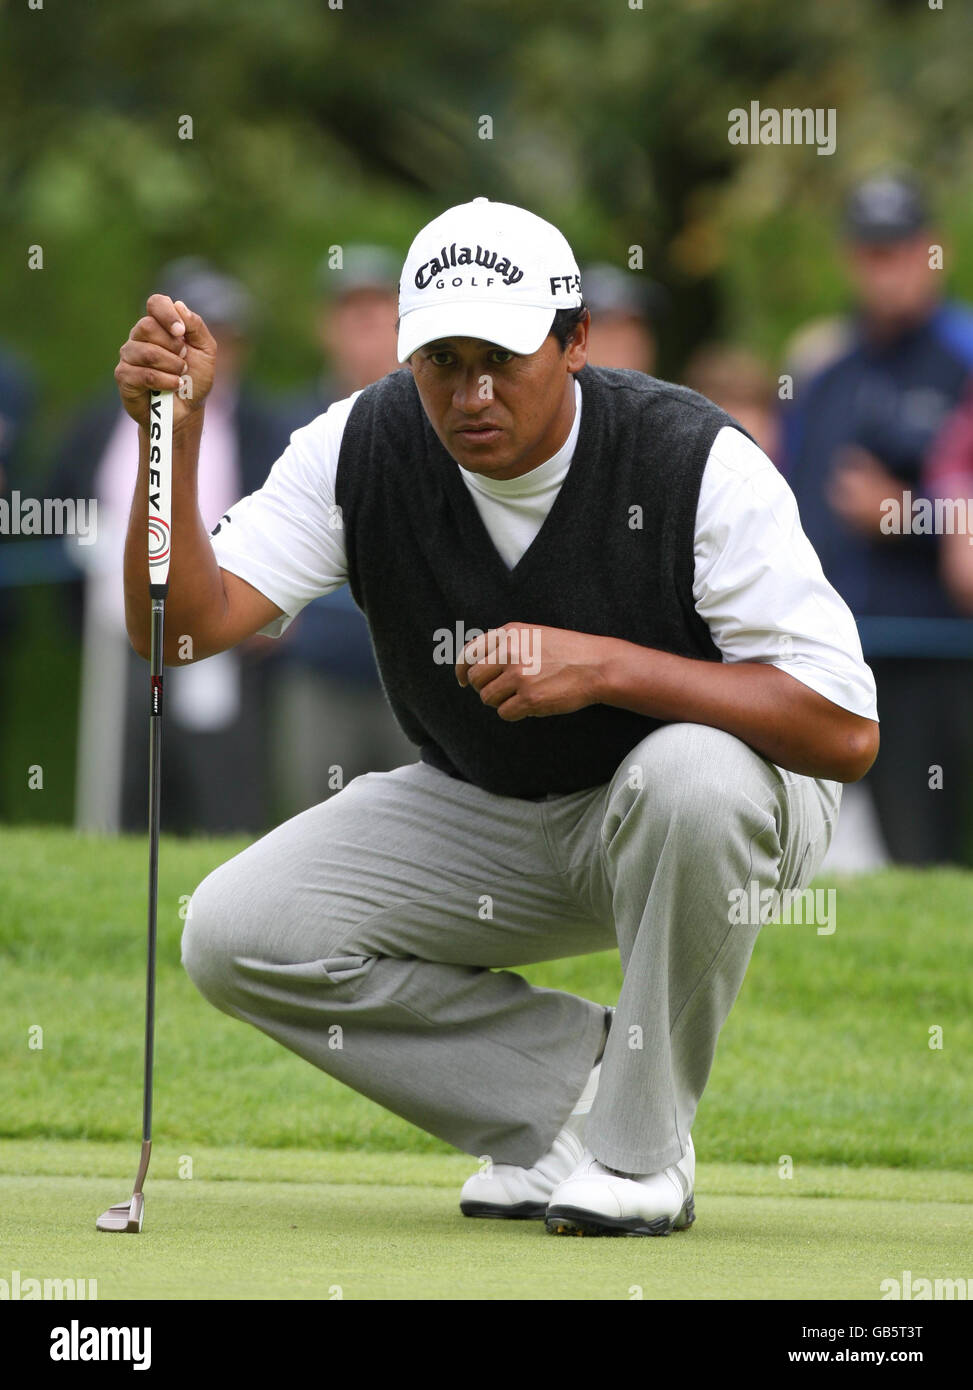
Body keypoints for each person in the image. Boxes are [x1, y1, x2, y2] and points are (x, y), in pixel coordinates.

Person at [116, 198, 878, 1237]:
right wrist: (176, 434)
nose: (470, 393)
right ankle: (567, 1110)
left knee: (691, 771)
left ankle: (640, 1155)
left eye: (501, 358)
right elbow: (181, 630)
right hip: (492, 807)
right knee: (235, 931)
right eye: (441, 359)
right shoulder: (362, 442)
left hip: (709, 815)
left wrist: (607, 667)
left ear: (573, 343)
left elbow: (843, 729)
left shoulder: (695, 459)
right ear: (404, 356)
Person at [59, 259, 290, 834]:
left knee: (223, 790)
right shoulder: (101, 418)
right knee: (124, 787)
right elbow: (61, 499)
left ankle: (221, 902)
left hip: (226, 636)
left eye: (230, 335)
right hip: (119, 641)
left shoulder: (264, 426)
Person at [781, 173, 973, 866]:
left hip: (945, 653)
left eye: (900, 249)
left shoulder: (962, 357)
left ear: (934, 252)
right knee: (884, 857)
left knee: (939, 861)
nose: (885, 269)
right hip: (845, 656)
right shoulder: (825, 371)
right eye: (871, 251)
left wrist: (906, 514)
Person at [271, 246, 414, 818]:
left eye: (380, 311)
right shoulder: (285, 421)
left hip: (420, 671)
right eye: (353, 313)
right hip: (319, 668)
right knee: (311, 825)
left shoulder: (451, 415)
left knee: (425, 840)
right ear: (326, 326)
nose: (367, 328)